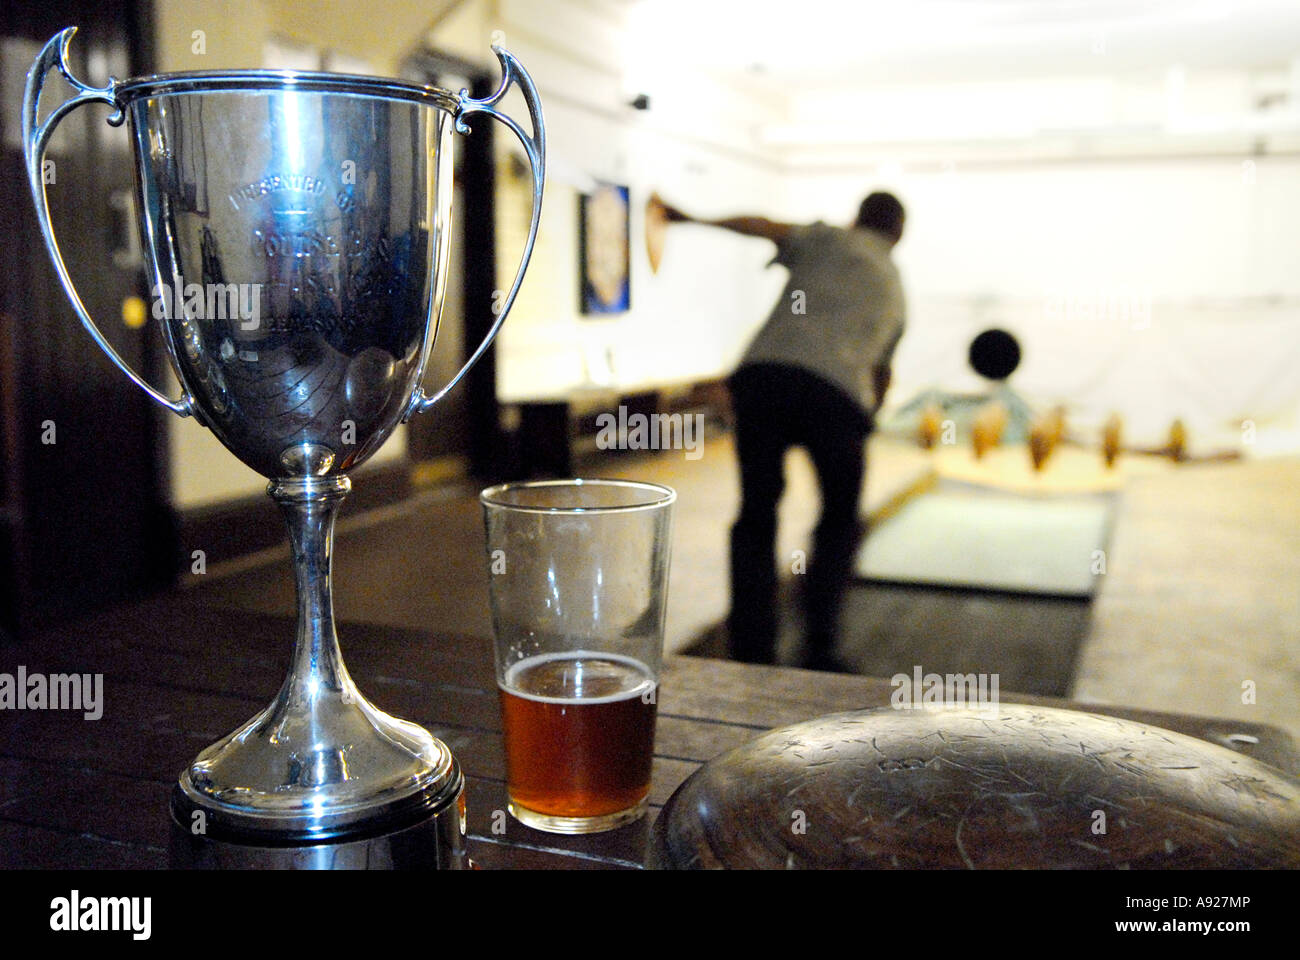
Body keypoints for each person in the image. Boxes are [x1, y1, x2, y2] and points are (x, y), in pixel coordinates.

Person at [653, 191, 907, 670]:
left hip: (764, 376)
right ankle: (820, 643)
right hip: (838, 393)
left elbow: (759, 224)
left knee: (757, 511)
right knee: (840, 518)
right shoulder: (895, 286)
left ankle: (751, 646)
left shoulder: (828, 239)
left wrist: (692, 216)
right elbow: (881, 372)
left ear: (856, 217)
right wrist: (868, 422)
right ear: (898, 234)